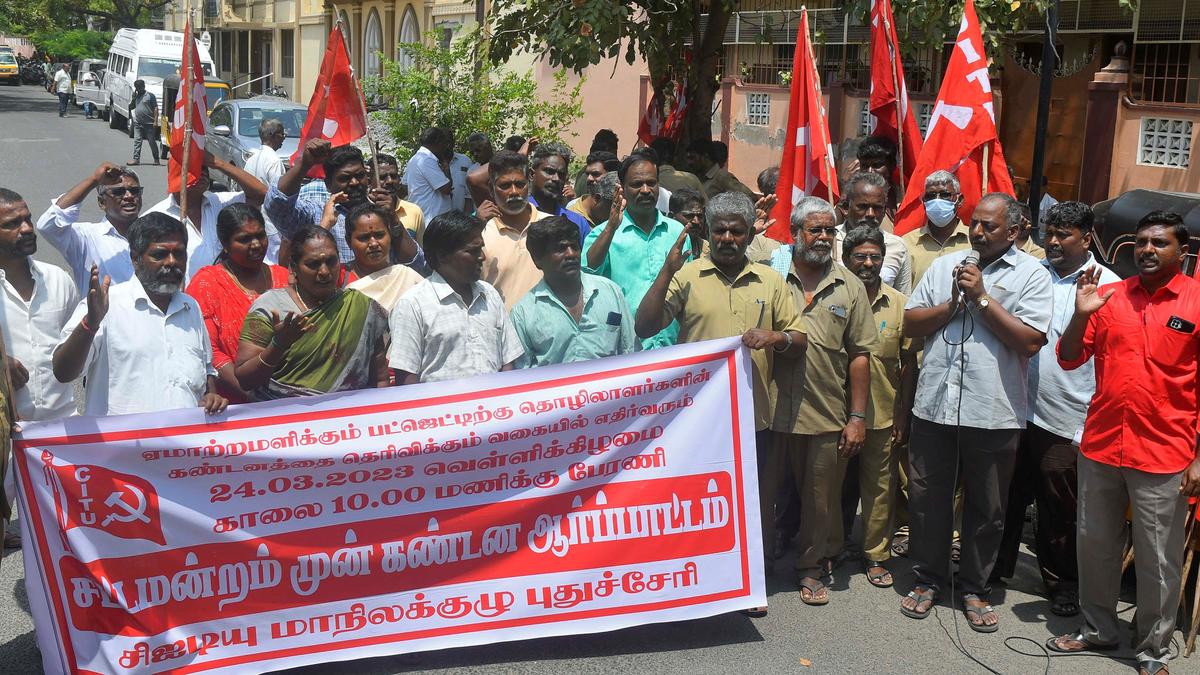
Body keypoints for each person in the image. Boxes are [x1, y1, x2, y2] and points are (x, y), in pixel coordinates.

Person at [638, 191, 806, 616]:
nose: (728, 237)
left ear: (751, 235)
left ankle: (748, 586)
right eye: (720, 230)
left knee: (751, 502)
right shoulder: (688, 275)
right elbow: (645, 325)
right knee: (696, 502)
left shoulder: (771, 282)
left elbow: (799, 337)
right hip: (696, 420)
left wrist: (775, 338)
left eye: (737, 231)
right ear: (709, 234)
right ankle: (691, 580)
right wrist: (665, 272)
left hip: (754, 416)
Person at [1049, 210, 1200, 675]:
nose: (1147, 250)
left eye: (1159, 243)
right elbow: (1070, 357)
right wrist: (1079, 315)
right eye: (1141, 242)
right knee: (1094, 544)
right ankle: (1098, 629)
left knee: (1158, 558)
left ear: (1182, 251)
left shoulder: (1196, 302)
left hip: (1165, 452)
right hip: (1102, 445)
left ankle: (1153, 648)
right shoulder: (1108, 296)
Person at [899, 193, 1052, 632]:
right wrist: (952, 305)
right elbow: (910, 322)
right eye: (976, 224)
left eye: (990, 226)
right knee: (928, 499)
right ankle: (927, 577)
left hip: (994, 410)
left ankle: (974, 587)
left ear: (1016, 230)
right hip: (935, 405)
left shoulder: (1032, 275)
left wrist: (982, 299)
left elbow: (1029, 342)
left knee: (988, 507)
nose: (978, 233)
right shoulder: (949, 264)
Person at [993, 201, 1120, 616]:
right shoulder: (1032, 276)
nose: (1052, 241)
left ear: (1087, 238)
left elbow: (1109, 363)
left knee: (1057, 505)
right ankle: (995, 568)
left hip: (1067, 417)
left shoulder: (1109, 288)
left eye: (1064, 234)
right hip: (1015, 405)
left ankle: (1063, 582)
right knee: (1006, 495)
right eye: (1049, 232)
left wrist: (1088, 426)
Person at [768, 196, 878, 606]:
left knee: (820, 500)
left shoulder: (849, 285)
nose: (824, 237)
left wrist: (857, 417)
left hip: (825, 412)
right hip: (770, 409)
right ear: (796, 233)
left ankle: (810, 568)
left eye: (831, 230)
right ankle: (758, 567)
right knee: (764, 494)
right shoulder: (770, 277)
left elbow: (860, 355)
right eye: (816, 229)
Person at [52, 212, 229, 416]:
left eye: (179, 253)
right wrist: (89, 324)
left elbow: (206, 373)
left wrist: (211, 397)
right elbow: (63, 372)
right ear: (135, 259)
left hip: (183, 444)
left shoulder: (191, 307)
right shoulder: (105, 306)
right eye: (160, 254)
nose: (172, 262)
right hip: (122, 445)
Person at [840, 225, 916, 590]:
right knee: (829, 487)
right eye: (860, 257)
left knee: (880, 489)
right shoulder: (831, 299)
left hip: (883, 415)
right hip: (832, 414)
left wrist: (903, 414)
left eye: (875, 257)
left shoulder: (900, 305)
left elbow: (908, 364)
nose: (868, 263)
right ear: (846, 258)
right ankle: (829, 549)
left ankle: (876, 554)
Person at [235, 226, 390, 399]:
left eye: (331, 261)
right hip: (285, 418)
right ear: (294, 268)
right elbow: (245, 379)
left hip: (347, 421)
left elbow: (380, 379)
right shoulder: (270, 307)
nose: (324, 272)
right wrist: (278, 344)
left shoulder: (361, 307)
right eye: (313, 264)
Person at [389, 211, 524, 384]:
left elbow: (508, 361)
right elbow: (407, 377)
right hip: (440, 410)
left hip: (494, 408)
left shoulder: (490, 295)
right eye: (472, 251)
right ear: (442, 256)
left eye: (481, 248)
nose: (482, 256)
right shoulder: (413, 304)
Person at [583, 151, 690, 349]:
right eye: (636, 184)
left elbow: (688, 290)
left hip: (671, 346)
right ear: (621, 188)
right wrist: (610, 228)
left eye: (652, 183)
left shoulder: (678, 232)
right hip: (622, 348)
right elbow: (588, 271)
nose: (646, 190)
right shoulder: (602, 233)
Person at [185, 203, 290, 403]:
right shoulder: (207, 283)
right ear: (225, 244)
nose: (257, 244)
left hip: (292, 399)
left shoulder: (284, 277)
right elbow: (210, 351)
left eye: (260, 235)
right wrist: (255, 397)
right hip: (237, 406)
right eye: (244, 239)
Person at [266, 139, 421, 268]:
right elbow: (276, 205)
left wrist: (393, 219)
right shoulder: (317, 212)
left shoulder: (381, 212)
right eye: (344, 178)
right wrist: (304, 166)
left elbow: (416, 264)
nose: (354, 182)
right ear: (328, 184)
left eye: (359, 175)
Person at [510, 215, 638, 367]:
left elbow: (632, 352)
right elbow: (521, 376)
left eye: (574, 247)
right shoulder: (523, 313)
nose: (571, 254)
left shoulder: (611, 292)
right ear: (537, 259)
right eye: (560, 249)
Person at [0, 188, 79, 421]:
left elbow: (79, 349)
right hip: (7, 435)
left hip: (62, 427)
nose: (26, 229)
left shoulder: (58, 280)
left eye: (27, 219)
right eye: (12, 224)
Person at [146, 154, 274, 281]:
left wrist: (218, 163)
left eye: (205, 168)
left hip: (226, 291)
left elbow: (261, 194)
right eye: (195, 169)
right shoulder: (155, 218)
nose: (203, 174)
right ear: (177, 174)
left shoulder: (219, 202)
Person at [37, 163, 144, 292]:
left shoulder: (155, 232)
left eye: (135, 191)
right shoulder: (85, 238)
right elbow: (48, 224)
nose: (129, 196)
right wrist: (94, 180)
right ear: (102, 202)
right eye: (118, 192)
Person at [476, 150, 553, 309]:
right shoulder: (480, 234)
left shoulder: (550, 226)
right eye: (504, 186)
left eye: (519, 184)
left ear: (529, 184)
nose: (514, 192)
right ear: (491, 188)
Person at [837, 172, 912, 293]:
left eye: (877, 207)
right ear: (846, 208)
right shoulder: (829, 242)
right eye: (862, 207)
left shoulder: (898, 246)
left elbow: (903, 301)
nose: (871, 214)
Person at [344, 203, 423, 311]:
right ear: (349, 242)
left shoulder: (406, 277)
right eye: (364, 237)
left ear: (390, 235)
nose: (373, 244)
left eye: (379, 235)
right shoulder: (339, 279)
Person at [901, 170, 971, 289]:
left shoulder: (974, 240)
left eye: (945, 195)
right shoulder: (907, 243)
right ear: (923, 202)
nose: (937, 200)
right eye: (931, 196)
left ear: (959, 200)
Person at [527, 142, 590, 237]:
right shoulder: (517, 214)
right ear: (532, 174)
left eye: (561, 174)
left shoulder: (577, 223)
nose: (556, 179)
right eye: (549, 171)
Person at [371, 154, 426, 244]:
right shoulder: (361, 213)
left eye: (393, 176)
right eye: (382, 177)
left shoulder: (414, 211)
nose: (389, 181)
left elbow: (420, 251)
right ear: (369, 181)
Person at [403, 127, 454, 221]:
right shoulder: (426, 160)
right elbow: (446, 189)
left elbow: (405, 185)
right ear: (438, 143)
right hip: (432, 219)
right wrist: (446, 169)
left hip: (424, 216)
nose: (445, 148)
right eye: (444, 144)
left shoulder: (415, 159)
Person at [690, 139, 754, 198]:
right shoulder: (698, 176)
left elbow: (749, 196)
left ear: (705, 156)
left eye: (693, 158)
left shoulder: (723, 177)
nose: (690, 162)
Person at [855, 136, 899, 216]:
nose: (870, 171)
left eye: (877, 165)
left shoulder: (905, 197)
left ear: (892, 165)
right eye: (865, 166)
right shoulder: (853, 196)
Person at [242, 118, 286, 188]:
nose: (284, 138)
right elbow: (277, 192)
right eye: (282, 134)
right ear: (273, 136)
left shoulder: (251, 159)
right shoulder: (274, 161)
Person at [128, 80, 160, 166]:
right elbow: (131, 107)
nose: (138, 89)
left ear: (143, 86)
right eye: (137, 88)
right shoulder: (137, 96)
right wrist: (133, 98)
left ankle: (156, 159)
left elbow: (156, 108)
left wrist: (156, 121)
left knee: (151, 141)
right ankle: (136, 159)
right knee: (137, 141)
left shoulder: (150, 96)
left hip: (149, 123)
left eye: (140, 87)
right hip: (138, 122)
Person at [465, 132, 496, 210]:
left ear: (488, 147)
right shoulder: (472, 171)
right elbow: (469, 198)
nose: (475, 154)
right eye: (472, 153)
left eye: (478, 150)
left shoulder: (502, 165)